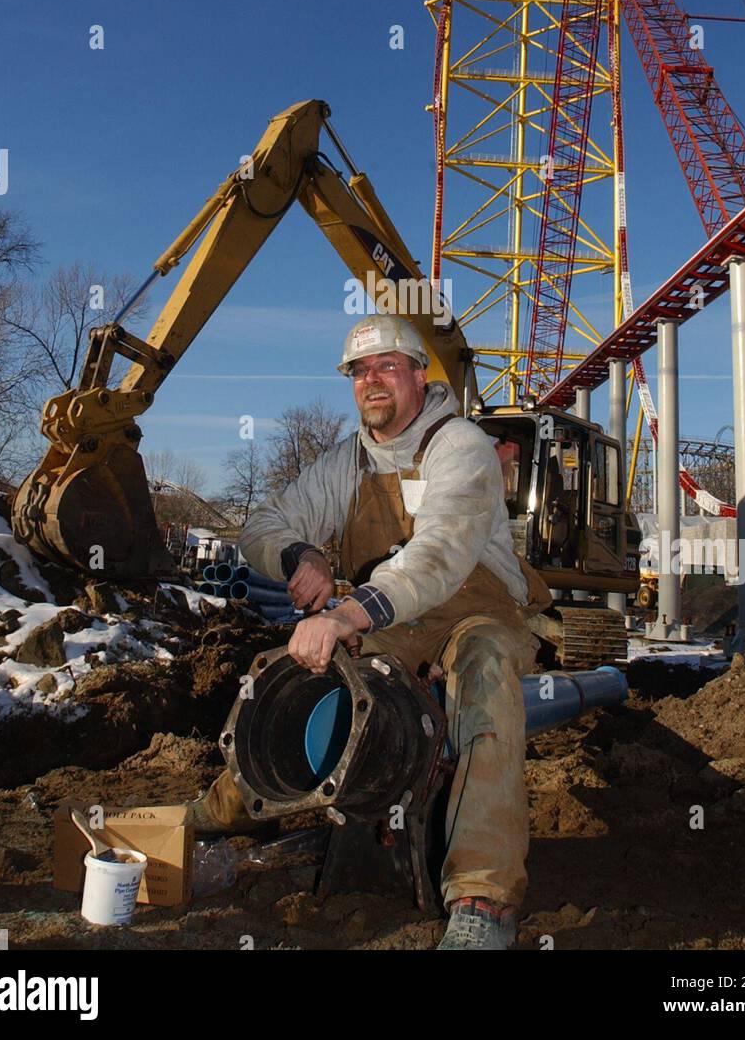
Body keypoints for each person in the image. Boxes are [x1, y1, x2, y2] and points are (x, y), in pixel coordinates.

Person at [190, 313, 540, 950]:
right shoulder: (344, 462)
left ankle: (482, 901)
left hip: (472, 609)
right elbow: (262, 524)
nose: (371, 381)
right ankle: (218, 814)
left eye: (385, 367)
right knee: (303, 683)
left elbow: (437, 555)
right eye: (359, 371)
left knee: (485, 678)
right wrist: (298, 555)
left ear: (417, 373)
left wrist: (346, 614)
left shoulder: (459, 444)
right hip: (393, 614)